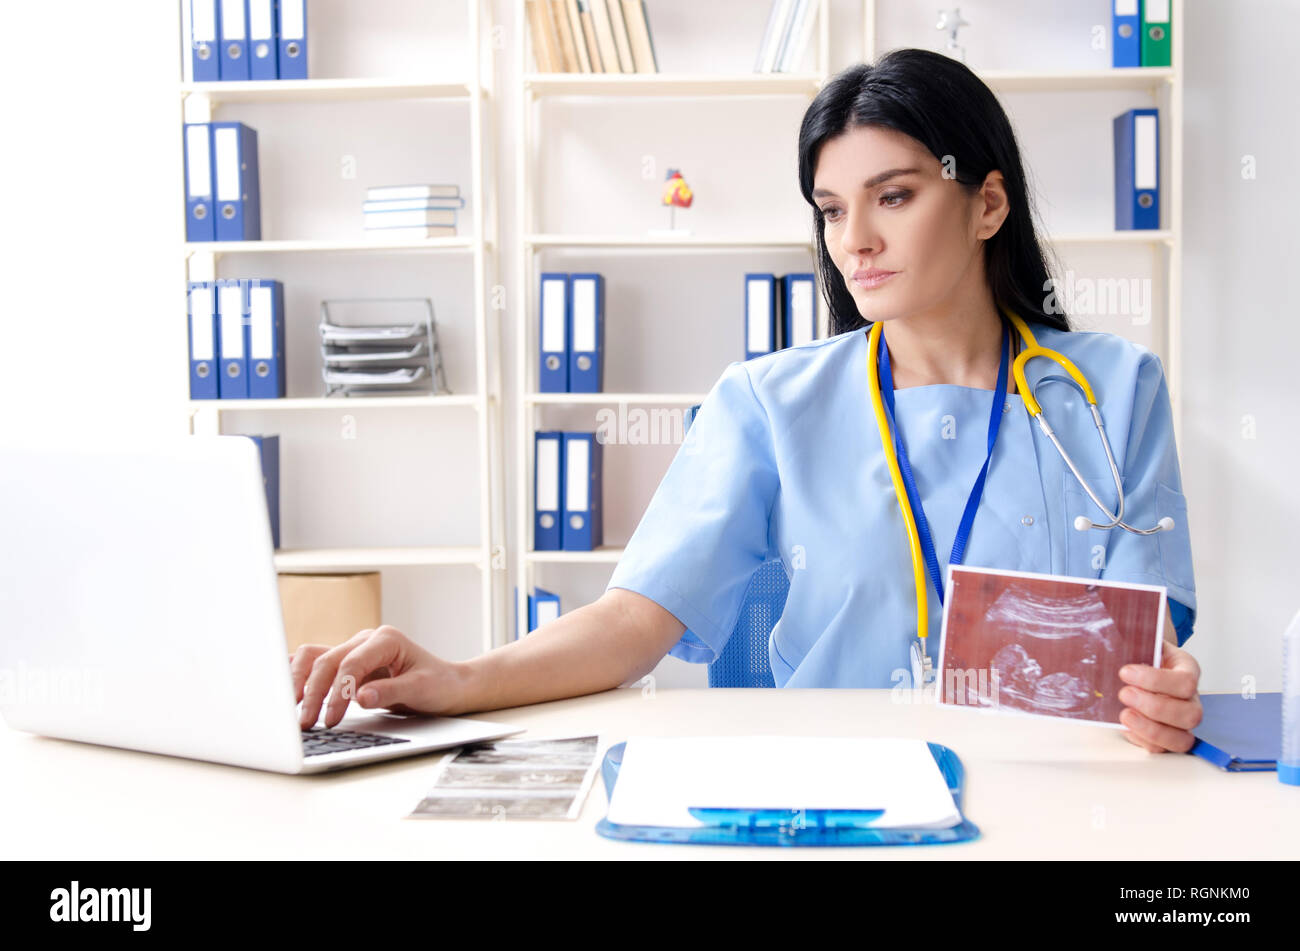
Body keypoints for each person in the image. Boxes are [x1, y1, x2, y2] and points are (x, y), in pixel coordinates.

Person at [293, 49, 1202, 754]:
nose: (858, 241)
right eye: (832, 209)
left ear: (988, 204)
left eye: (894, 196)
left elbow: (1140, 649)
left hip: (1054, 799)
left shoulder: (1117, 389)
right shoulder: (772, 401)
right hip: (842, 799)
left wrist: (1163, 695)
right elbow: (631, 622)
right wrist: (456, 676)